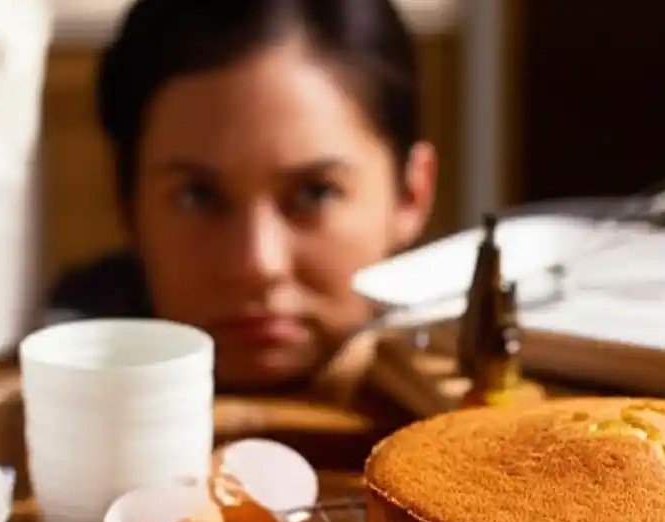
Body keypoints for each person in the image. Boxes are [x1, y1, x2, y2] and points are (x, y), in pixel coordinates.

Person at [51, 0, 437, 393]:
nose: (257, 265)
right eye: (197, 196)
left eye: (314, 193)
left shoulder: (471, 403)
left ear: (411, 193)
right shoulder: (46, 395)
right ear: (127, 202)